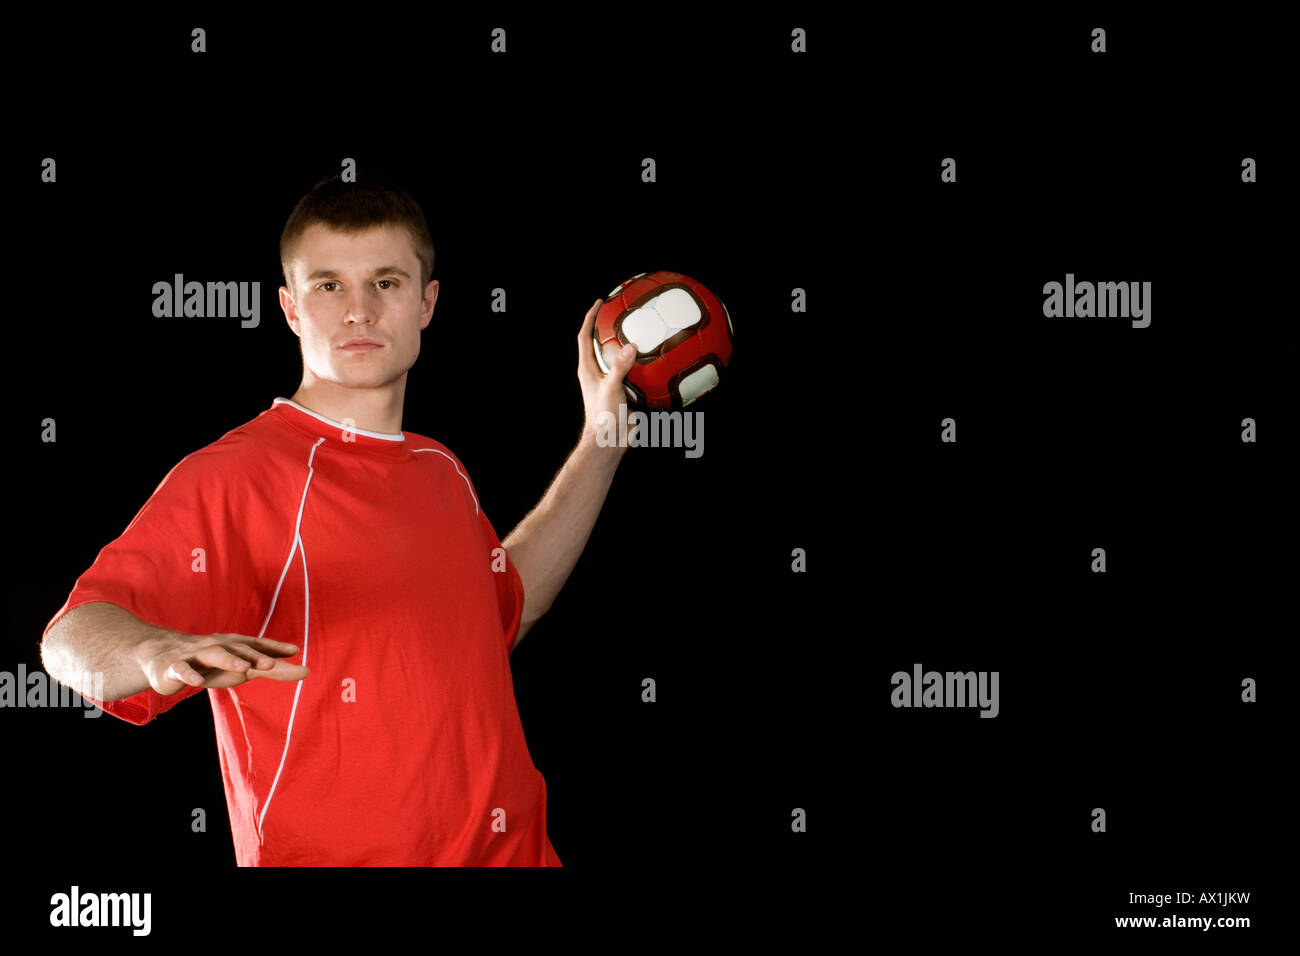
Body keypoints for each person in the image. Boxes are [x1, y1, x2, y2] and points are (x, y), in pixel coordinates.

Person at [39, 177, 638, 865]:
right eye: (328, 286)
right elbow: (70, 638)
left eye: (386, 282)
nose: (359, 311)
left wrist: (602, 441)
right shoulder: (237, 475)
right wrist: (151, 651)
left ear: (427, 303)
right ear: (291, 309)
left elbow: (503, 609)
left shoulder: (440, 468)